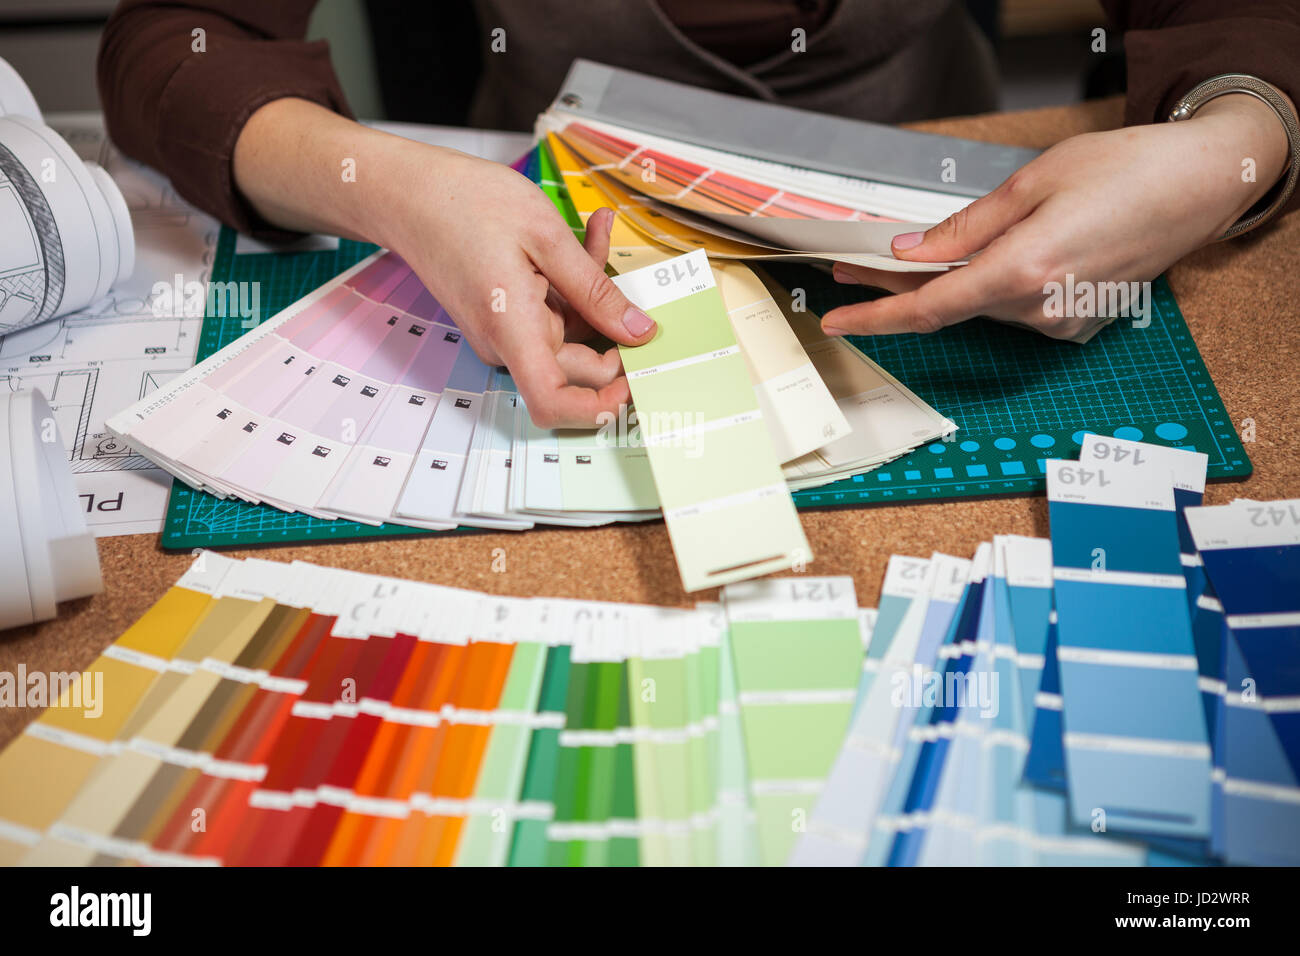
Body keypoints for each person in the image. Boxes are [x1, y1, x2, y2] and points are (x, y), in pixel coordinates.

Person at [98, 1, 1299, 428]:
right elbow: (176, 42)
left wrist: (1229, 150)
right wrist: (398, 186)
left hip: (965, 196)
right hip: (546, 191)